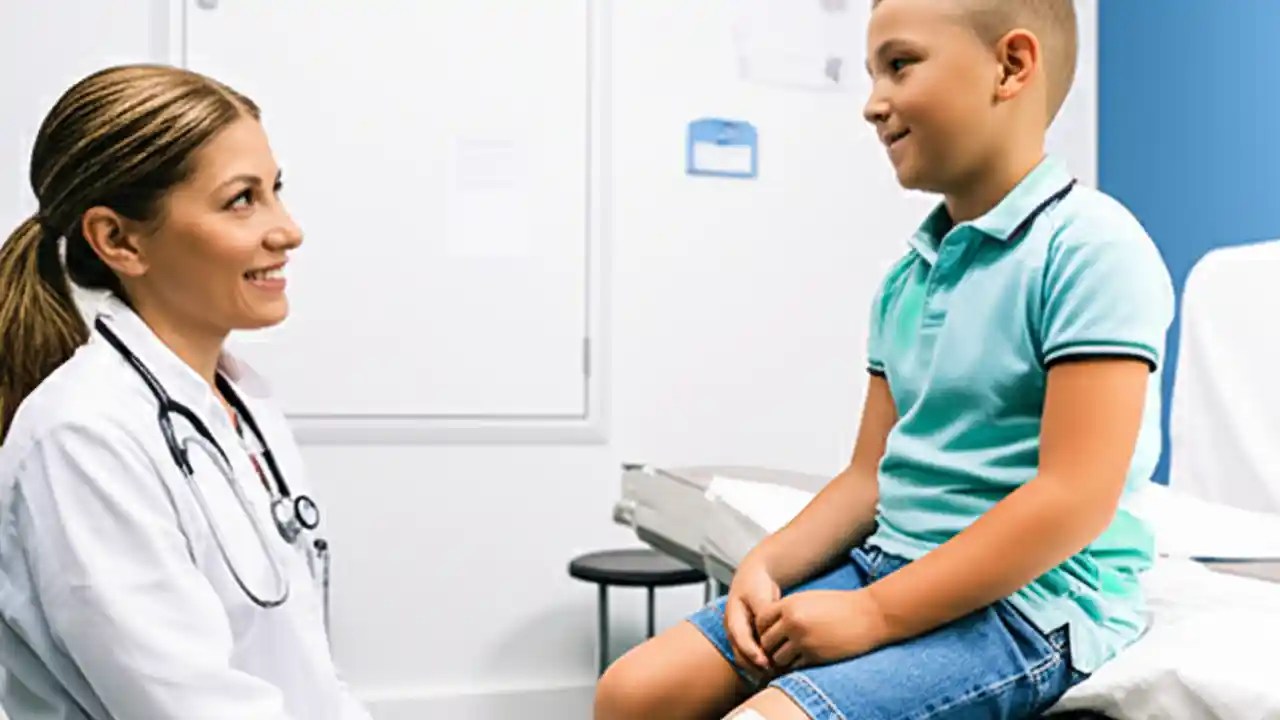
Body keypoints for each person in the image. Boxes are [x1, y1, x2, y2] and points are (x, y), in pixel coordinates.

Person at [595, 0, 1174, 718]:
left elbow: (1072, 499)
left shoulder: (1092, 249)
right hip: (889, 563)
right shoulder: (909, 276)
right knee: (632, 692)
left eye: (899, 65)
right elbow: (868, 476)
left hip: (1029, 603)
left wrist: (874, 615)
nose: (873, 104)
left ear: (1011, 66)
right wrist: (764, 562)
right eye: (873, 74)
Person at [0, 64, 370, 719]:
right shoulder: (83, 438)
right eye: (241, 200)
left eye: (275, 190)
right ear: (118, 240)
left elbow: (309, 674)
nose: (288, 230)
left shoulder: (242, 404)